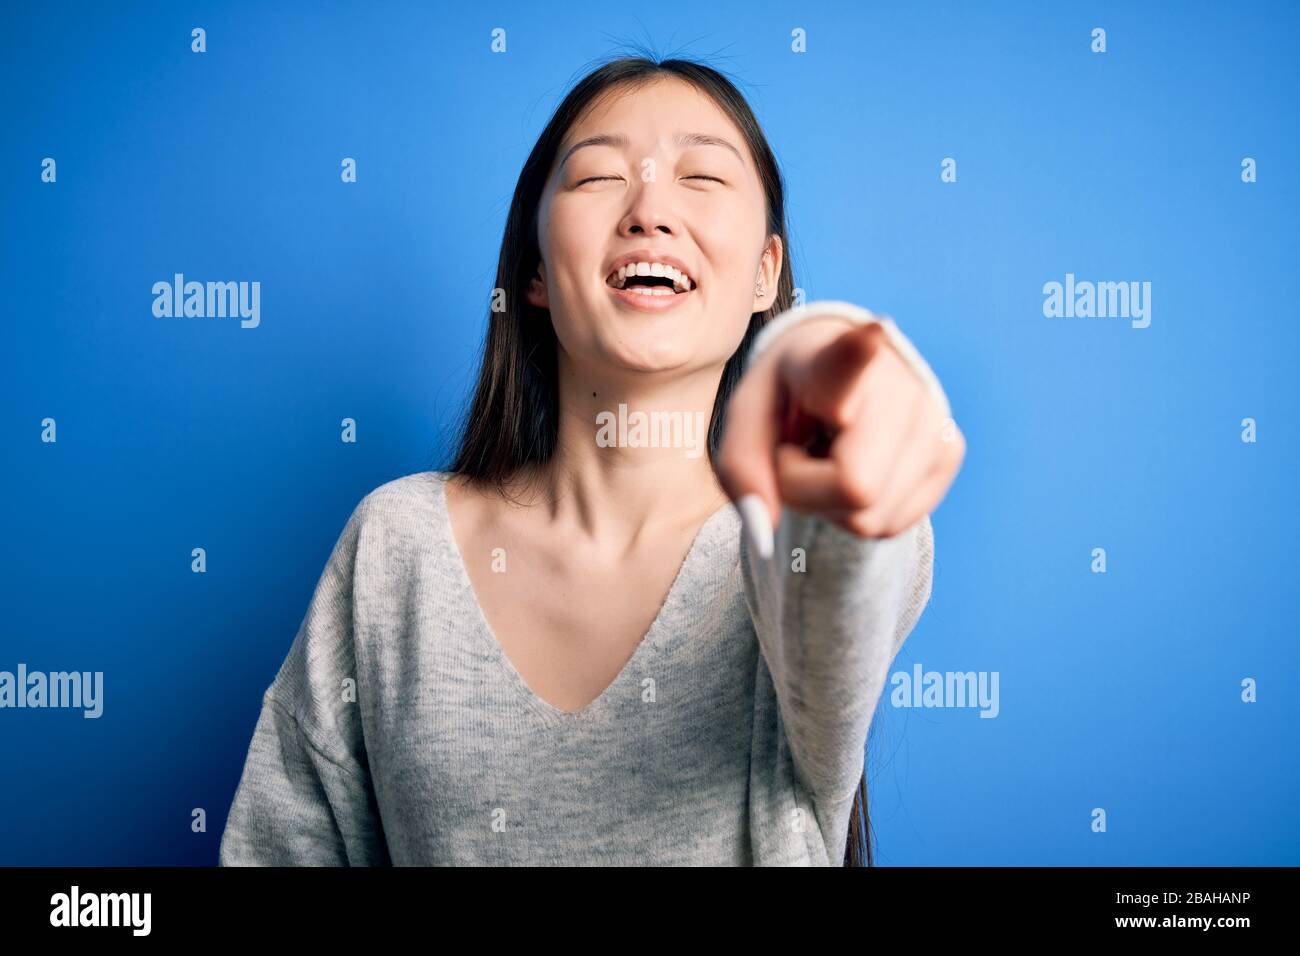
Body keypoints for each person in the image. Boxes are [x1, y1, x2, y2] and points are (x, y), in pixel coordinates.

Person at [219, 55, 964, 867]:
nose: (649, 209)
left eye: (703, 177)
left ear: (764, 274)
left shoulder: (794, 541)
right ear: (535, 270)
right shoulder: (397, 546)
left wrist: (837, 418)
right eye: (600, 176)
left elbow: (843, 570)